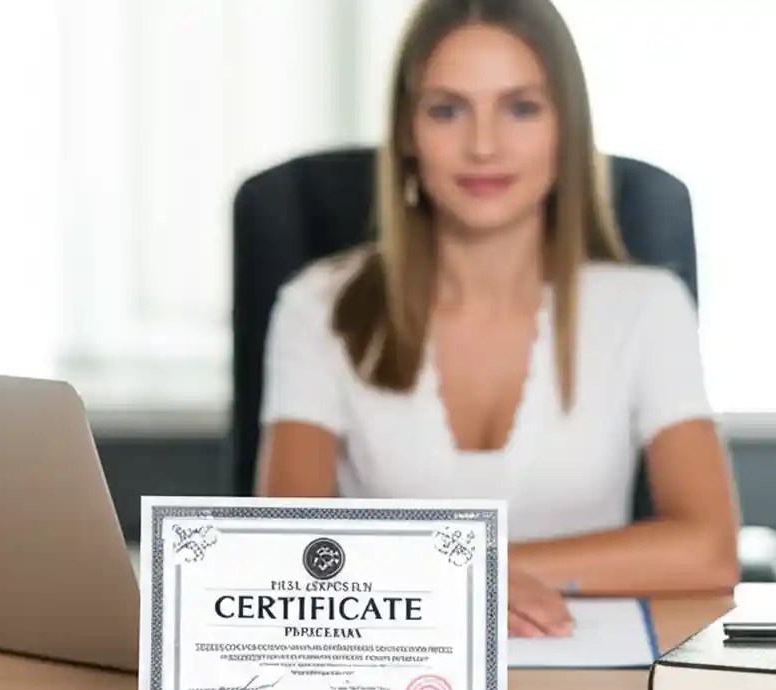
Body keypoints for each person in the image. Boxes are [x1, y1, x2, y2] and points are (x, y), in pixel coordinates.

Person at [255, 0, 741, 638]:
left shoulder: (647, 308)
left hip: (586, 674)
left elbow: (709, 549)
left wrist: (471, 571)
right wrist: (460, 578)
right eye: (447, 110)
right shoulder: (317, 307)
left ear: (565, 126)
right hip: (390, 672)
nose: (483, 145)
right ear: (406, 131)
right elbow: (284, 544)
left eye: (521, 107)